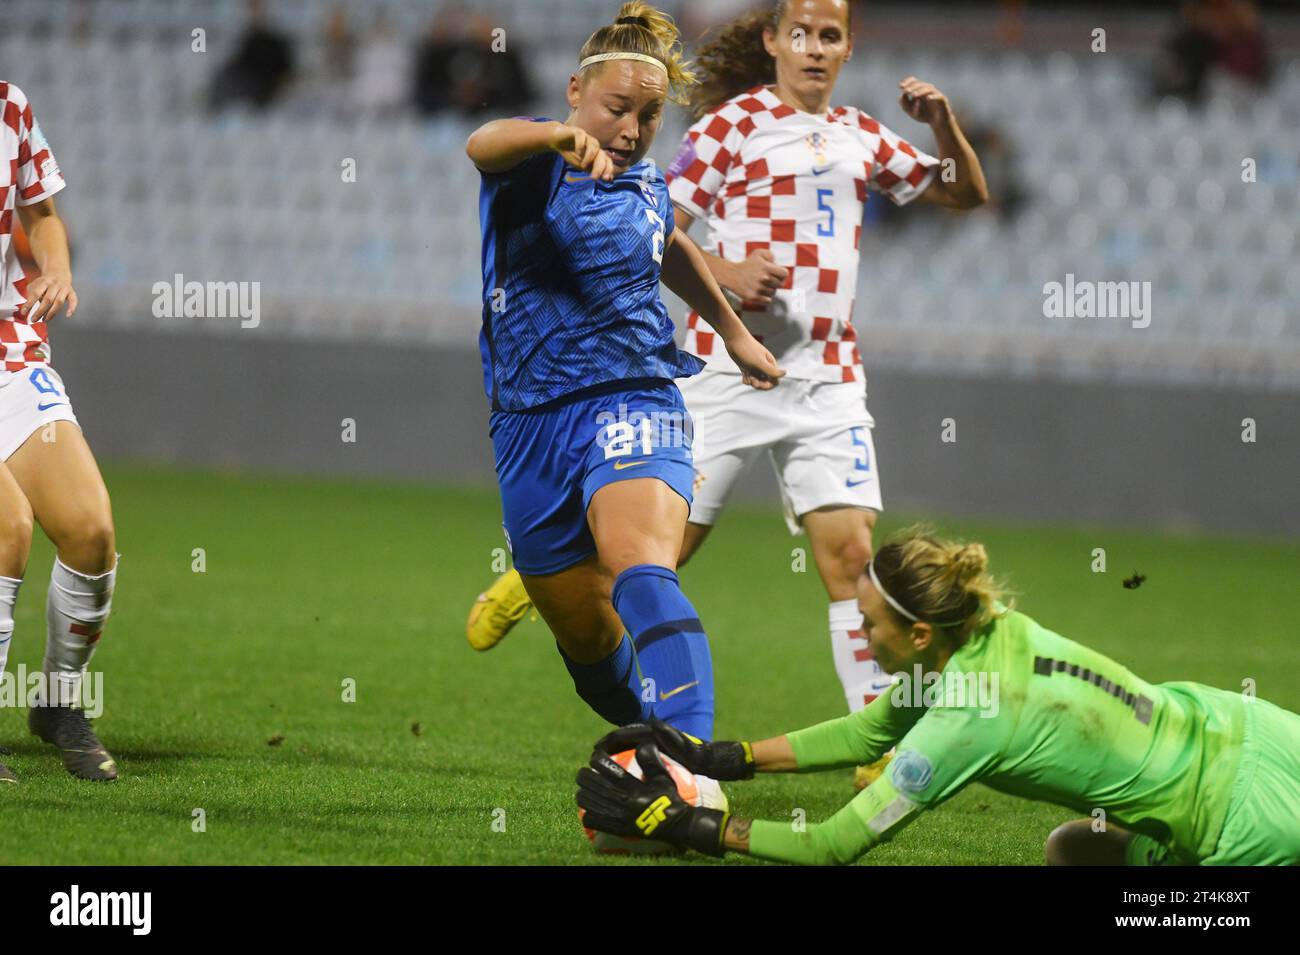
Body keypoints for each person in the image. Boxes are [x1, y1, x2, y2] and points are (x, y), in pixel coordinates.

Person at [467, 0, 987, 788]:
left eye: (832, 35)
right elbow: (657, 219)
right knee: (639, 575)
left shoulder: (858, 133)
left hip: (795, 375)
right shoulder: (724, 128)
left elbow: (961, 191)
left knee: (822, 558)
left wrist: (944, 122)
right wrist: (731, 286)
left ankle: (837, 750)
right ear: (774, 40)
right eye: (802, 32)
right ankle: (545, 592)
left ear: (849, 48)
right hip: (671, 381)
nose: (816, 48)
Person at [576, 526, 1300, 865]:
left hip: (1244, 826)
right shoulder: (989, 627)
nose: (860, 638)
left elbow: (832, 845)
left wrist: (690, 826)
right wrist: (716, 756)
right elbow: (867, 734)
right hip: (1252, 727)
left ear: (921, 633)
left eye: (869, 624)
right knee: (1072, 851)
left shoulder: (966, 721)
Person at [466, 3, 783, 746]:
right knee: (589, 648)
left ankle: (689, 771)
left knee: (641, 565)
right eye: (618, 108)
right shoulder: (533, 162)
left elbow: (671, 245)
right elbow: (481, 142)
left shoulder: (647, 182)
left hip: (635, 394)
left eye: (648, 115)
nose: (633, 130)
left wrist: (733, 331)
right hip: (528, 420)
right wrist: (552, 135)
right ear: (576, 90)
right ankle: (655, 736)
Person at [1, 81, 119, 783]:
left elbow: (40, 214)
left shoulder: (9, 106)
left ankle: (57, 702)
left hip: (11, 351)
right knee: (8, 525)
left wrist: (59, 265)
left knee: (90, 528)